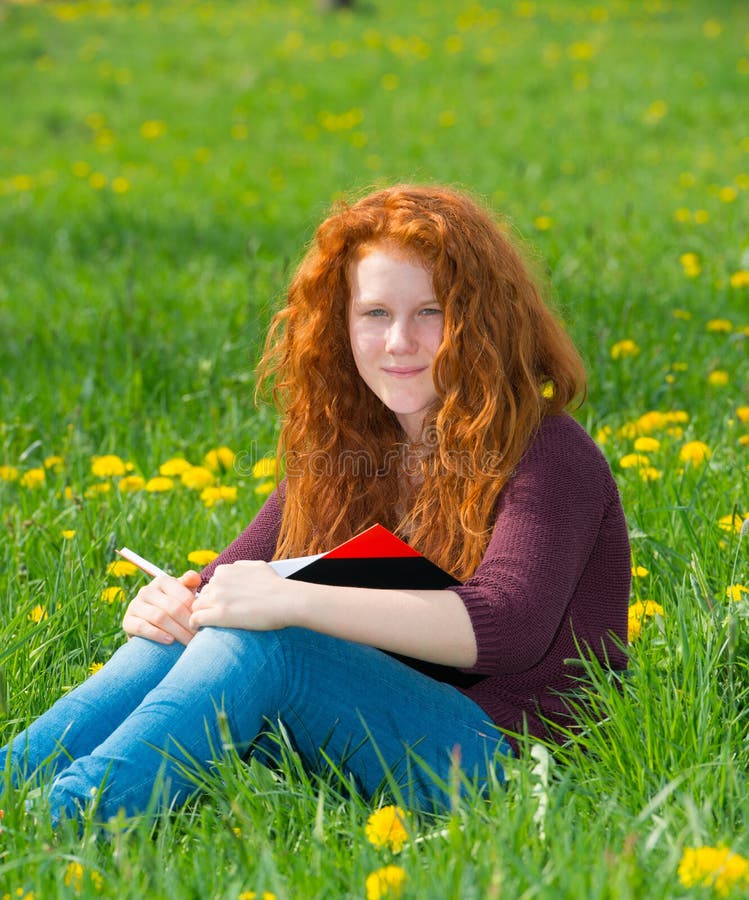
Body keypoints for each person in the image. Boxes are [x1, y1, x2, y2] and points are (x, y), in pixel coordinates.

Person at [0, 184, 630, 825]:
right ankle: (9, 788)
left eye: (431, 312)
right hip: (372, 722)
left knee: (272, 641)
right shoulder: (350, 449)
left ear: (485, 320)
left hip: (517, 759)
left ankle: (65, 821)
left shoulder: (550, 449)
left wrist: (297, 602)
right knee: (199, 629)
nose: (399, 341)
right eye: (376, 314)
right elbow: (229, 585)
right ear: (342, 324)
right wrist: (176, 602)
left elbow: (507, 628)